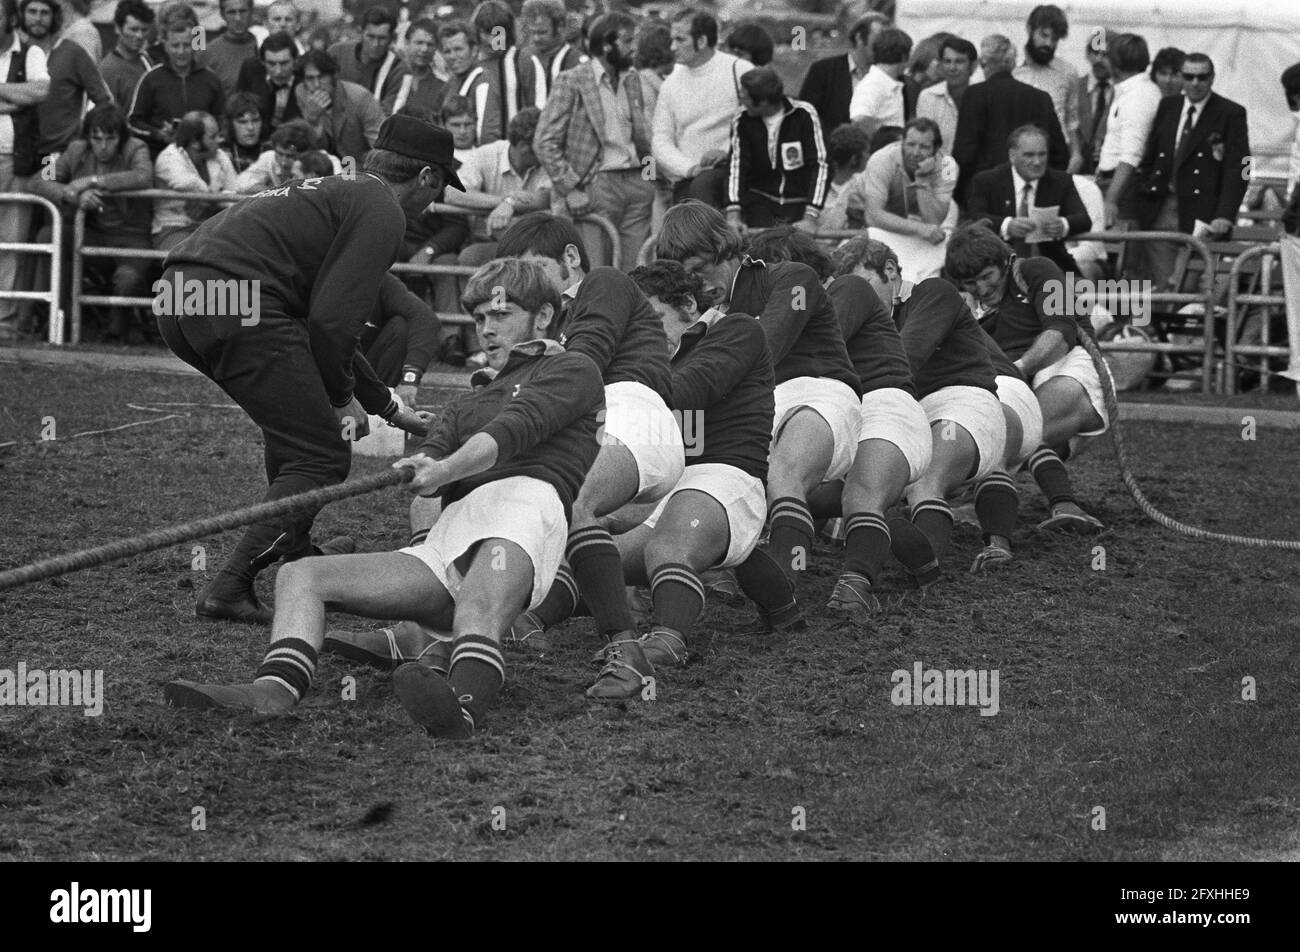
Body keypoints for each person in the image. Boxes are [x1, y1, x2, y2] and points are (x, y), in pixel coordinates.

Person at [165, 257, 604, 741]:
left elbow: (516, 428)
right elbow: (432, 459)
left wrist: (445, 468)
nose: (487, 330)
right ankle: (273, 691)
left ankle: (461, 711)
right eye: (479, 319)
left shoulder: (572, 368)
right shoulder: (469, 399)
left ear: (543, 316)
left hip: (526, 511)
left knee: (478, 610)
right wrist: (420, 471)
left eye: (501, 315)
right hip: (452, 533)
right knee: (301, 575)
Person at [154, 114, 451, 625]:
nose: (436, 202)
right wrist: (342, 398)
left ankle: (295, 551)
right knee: (320, 454)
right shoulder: (382, 208)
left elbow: (320, 320)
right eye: (440, 187)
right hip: (236, 299)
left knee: (297, 434)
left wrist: (388, 407)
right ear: (425, 177)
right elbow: (333, 324)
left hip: (180, 294)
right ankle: (231, 586)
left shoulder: (338, 189)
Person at [496, 212, 681, 694]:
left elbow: (585, 361)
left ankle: (627, 652)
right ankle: (438, 626)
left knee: (577, 502)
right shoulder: (547, 319)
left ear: (571, 259)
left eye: (532, 268)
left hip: (629, 409)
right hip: (580, 421)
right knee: (481, 499)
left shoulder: (604, 282)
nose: (523, 283)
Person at [655, 200, 860, 625]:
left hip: (816, 390)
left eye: (701, 267)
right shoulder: (703, 314)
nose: (696, 282)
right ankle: (765, 592)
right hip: (756, 409)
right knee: (698, 476)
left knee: (783, 472)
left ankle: (790, 574)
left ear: (724, 246)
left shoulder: (790, 278)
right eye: (686, 276)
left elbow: (760, 349)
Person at [591, 259, 773, 687]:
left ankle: (669, 639)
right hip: (679, 486)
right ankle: (526, 624)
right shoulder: (656, 361)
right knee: (596, 545)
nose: (646, 336)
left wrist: (601, 382)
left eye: (654, 319)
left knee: (669, 543)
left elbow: (693, 388)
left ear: (689, 304)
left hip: (730, 478)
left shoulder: (737, 328)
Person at [748, 227, 930, 622]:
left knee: (859, 494)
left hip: (883, 400)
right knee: (786, 486)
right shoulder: (792, 303)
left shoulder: (845, 288)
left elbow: (790, 343)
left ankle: (853, 586)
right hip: (839, 404)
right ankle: (922, 561)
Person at [853, 237, 1006, 581]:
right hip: (914, 413)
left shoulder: (933, 292)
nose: (857, 297)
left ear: (889, 270)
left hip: (962, 404)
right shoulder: (870, 319)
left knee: (925, 481)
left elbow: (905, 357)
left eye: (862, 284)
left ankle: (927, 565)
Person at [945, 222, 1107, 533]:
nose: (981, 288)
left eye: (986, 277)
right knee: (998, 433)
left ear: (1004, 263)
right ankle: (1063, 504)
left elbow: (1061, 333)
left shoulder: (1037, 269)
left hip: (1072, 367)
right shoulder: (967, 309)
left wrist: (1017, 369)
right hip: (1018, 387)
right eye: (970, 282)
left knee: (1007, 434)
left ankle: (989, 501)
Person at [533, 10, 653, 272]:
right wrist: (570, 189)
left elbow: (640, 136)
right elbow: (544, 141)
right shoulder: (572, 80)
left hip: (636, 182)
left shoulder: (632, 79)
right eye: (628, 41)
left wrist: (651, 178)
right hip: (595, 184)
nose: (634, 48)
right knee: (595, 274)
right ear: (607, 45)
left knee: (637, 275)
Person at [26, 102, 151, 341]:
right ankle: (57, 318)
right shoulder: (76, 150)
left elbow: (142, 176)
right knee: (48, 234)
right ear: (88, 137)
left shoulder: (137, 147)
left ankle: (119, 330)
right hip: (93, 234)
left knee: (127, 280)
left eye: (110, 138)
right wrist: (71, 194)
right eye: (97, 138)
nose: (103, 146)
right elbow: (39, 180)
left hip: (132, 237)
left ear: (122, 137)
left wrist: (92, 181)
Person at [1134, 53, 1249, 285]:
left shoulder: (1231, 113)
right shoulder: (1168, 106)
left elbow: (1241, 168)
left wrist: (1225, 214)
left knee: (1183, 285)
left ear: (1212, 77)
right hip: (1161, 208)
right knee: (1162, 284)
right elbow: (1151, 155)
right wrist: (1144, 190)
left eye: (1202, 77)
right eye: (1189, 76)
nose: (1195, 83)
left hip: (1203, 215)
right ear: (1181, 78)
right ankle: (1161, 320)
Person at [651, 9, 752, 209]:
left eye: (680, 40)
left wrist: (727, 152)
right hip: (686, 181)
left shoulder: (740, 70)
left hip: (734, 177)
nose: (672, 47)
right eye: (672, 40)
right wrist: (690, 168)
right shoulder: (671, 83)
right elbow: (660, 140)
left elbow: (762, 124)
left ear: (703, 40)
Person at [951, 34, 1068, 203]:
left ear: (983, 63)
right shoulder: (1041, 98)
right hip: (1032, 192)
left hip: (984, 193)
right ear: (1013, 63)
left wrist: (959, 193)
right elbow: (1060, 154)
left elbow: (963, 154)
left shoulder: (974, 95)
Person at [966, 123, 1091, 275]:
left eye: (1042, 154)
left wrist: (1062, 225)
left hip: (1053, 268)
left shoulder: (1061, 181)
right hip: (997, 270)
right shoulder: (987, 181)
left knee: (1084, 289)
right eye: (1029, 155)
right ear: (1012, 155)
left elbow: (1084, 219)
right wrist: (1007, 226)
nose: (1037, 161)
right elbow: (975, 219)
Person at [725, 66, 828, 233]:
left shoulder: (805, 114)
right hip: (760, 201)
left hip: (799, 202)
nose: (741, 103)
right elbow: (736, 166)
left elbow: (821, 164)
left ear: (764, 102)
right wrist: (733, 213)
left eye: (745, 99)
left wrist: (811, 216)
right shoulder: (742, 119)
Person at [0, 0, 47, 339]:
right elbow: (27, 96)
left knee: (14, 244)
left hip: (18, 162)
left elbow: (41, 91)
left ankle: (7, 323)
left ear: (10, 19)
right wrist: (16, 98)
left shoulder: (31, 52)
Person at [128, 11, 224, 159]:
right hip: (161, 156)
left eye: (186, 45)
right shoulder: (151, 78)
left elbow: (222, 120)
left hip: (203, 157)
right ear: (165, 45)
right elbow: (134, 121)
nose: (181, 51)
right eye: (175, 45)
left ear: (195, 44)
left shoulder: (211, 79)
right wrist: (157, 133)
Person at [843, 116, 955, 243]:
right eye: (910, 144)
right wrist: (918, 228)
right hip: (862, 210)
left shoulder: (949, 167)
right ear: (902, 142)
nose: (915, 153)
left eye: (924, 147)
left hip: (901, 215)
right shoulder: (881, 159)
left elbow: (934, 221)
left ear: (936, 149)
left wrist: (923, 181)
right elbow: (873, 217)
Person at [23, 0, 109, 159]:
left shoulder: (72, 52)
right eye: (32, 12)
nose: (38, 18)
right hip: (18, 152)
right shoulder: (15, 53)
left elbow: (103, 99)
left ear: (55, 16)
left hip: (55, 154)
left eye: (44, 12)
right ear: (21, 15)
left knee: (49, 182)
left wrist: (84, 139)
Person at [1096, 34, 1160, 230]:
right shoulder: (1132, 92)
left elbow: (1131, 155)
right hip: (1117, 184)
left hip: (1123, 189)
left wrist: (1111, 200)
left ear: (1114, 61)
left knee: (1119, 252)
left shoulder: (1137, 96)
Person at [151, 110, 237, 251]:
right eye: (213, 137)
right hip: (174, 227)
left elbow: (235, 192)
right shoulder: (169, 157)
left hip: (214, 225)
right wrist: (217, 197)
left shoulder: (219, 155)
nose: (220, 140)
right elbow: (188, 184)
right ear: (195, 142)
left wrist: (210, 200)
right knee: (180, 263)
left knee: (234, 254)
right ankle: (179, 275)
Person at [1012, 4, 1082, 174]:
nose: (1048, 43)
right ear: (1030, 29)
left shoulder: (1068, 72)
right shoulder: (1011, 69)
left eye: (1055, 39)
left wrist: (1076, 154)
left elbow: (1071, 118)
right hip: (1018, 154)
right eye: (1044, 35)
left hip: (1056, 156)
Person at [798, 12, 888, 136]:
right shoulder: (824, 71)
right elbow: (805, 116)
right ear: (859, 38)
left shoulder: (886, 76)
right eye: (878, 40)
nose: (884, 47)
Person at [360, 271, 442, 404]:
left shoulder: (377, 277)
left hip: (360, 371)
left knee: (401, 326)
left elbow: (425, 318)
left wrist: (409, 379)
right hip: (326, 371)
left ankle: (380, 404)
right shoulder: (319, 278)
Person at [294, 49, 384, 162]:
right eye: (310, 78)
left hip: (359, 164)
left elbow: (380, 146)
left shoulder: (360, 97)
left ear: (333, 75)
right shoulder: (302, 93)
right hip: (327, 164)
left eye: (321, 77)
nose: (316, 85)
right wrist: (313, 122)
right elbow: (315, 148)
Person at [328, 3, 408, 114]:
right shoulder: (337, 52)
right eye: (370, 37)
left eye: (382, 38)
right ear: (361, 33)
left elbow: (388, 115)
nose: (375, 44)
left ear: (391, 38)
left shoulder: (398, 68)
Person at [439, 20, 499, 145]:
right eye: (447, 51)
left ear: (474, 50)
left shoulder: (483, 82)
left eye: (458, 49)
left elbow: (487, 134)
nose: (453, 56)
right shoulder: (451, 83)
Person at [916, 35, 975, 155]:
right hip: (941, 169)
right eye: (947, 61)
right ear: (940, 65)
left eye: (959, 61)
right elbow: (924, 139)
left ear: (973, 66)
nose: (952, 68)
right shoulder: (928, 96)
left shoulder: (985, 96)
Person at [235, 32, 301, 140]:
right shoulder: (251, 70)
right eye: (271, 64)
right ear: (262, 62)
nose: (278, 71)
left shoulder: (305, 77)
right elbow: (238, 108)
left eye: (284, 63)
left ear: (295, 60)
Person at [848, 26, 910, 140]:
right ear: (904, 56)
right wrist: (877, 143)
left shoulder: (887, 84)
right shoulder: (873, 84)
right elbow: (859, 120)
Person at [518, 0, 585, 105]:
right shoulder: (522, 58)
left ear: (560, 26)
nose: (536, 38)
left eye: (542, 32)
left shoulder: (578, 63)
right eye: (533, 32)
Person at [233, 116, 320, 192]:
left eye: (290, 156)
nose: (283, 163)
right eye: (280, 154)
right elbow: (240, 183)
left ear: (306, 153)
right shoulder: (270, 157)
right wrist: (274, 192)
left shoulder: (325, 162)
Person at [98, 0, 152, 112]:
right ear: (118, 28)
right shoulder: (108, 69)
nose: (139, 35)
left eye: (144, 30)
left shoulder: (145, 60)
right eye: (134, 29)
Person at [390, 17, 446, 118]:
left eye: (430, 44)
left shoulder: (443, 87)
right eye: (419, 43)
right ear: (407, 43)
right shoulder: (390, 78)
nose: (424, 49)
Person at [1077, 29, 1116, 176]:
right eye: (1095, 52)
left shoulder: (1123, 94)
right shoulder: (1073, 87)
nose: (1099, 59)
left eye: (1106, 54)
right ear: (1087, 54)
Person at [204, 0, 258, 96]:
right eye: (231, 12)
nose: (238, 18)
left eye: (243, 11)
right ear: (222, 14)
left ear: (251, 11)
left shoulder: (262, 46)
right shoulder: (209, 52)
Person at [221, 89, 263, 172]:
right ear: (230, 124)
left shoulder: (274, 152)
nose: (250, 127)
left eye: (255, 120)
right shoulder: (221, 154)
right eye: (243, 122)